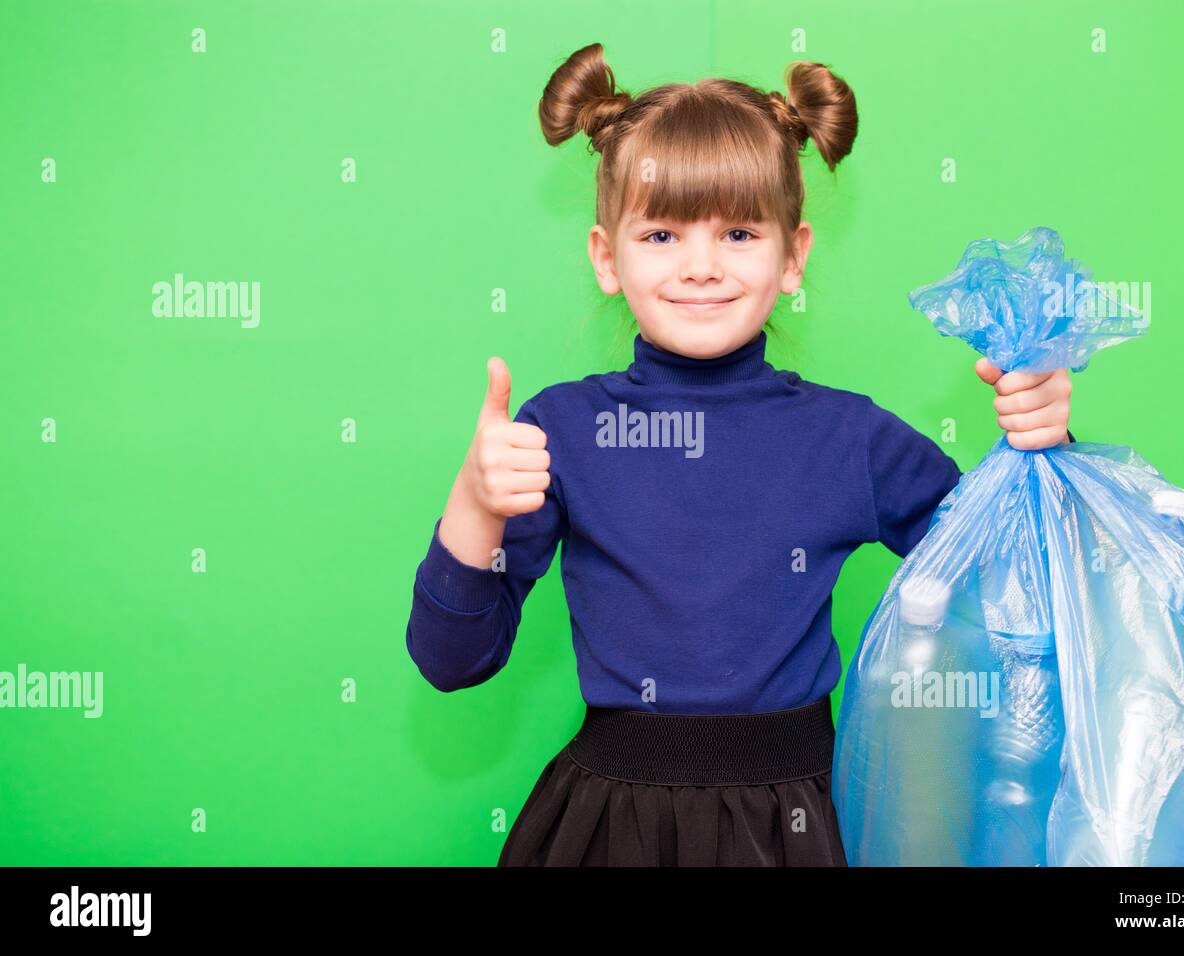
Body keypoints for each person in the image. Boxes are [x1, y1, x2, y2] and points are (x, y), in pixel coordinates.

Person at [405, 42, 1074, 866]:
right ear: (606, 258)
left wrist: (1046, 442)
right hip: (607, 828)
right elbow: (451, 662)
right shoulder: (561, 431)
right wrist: (473, 505)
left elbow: (1028, 589)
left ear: (793, 256)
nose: (700, 266)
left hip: (796, 827)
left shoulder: (851, 439)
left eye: (737, 231)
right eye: (659, 233)